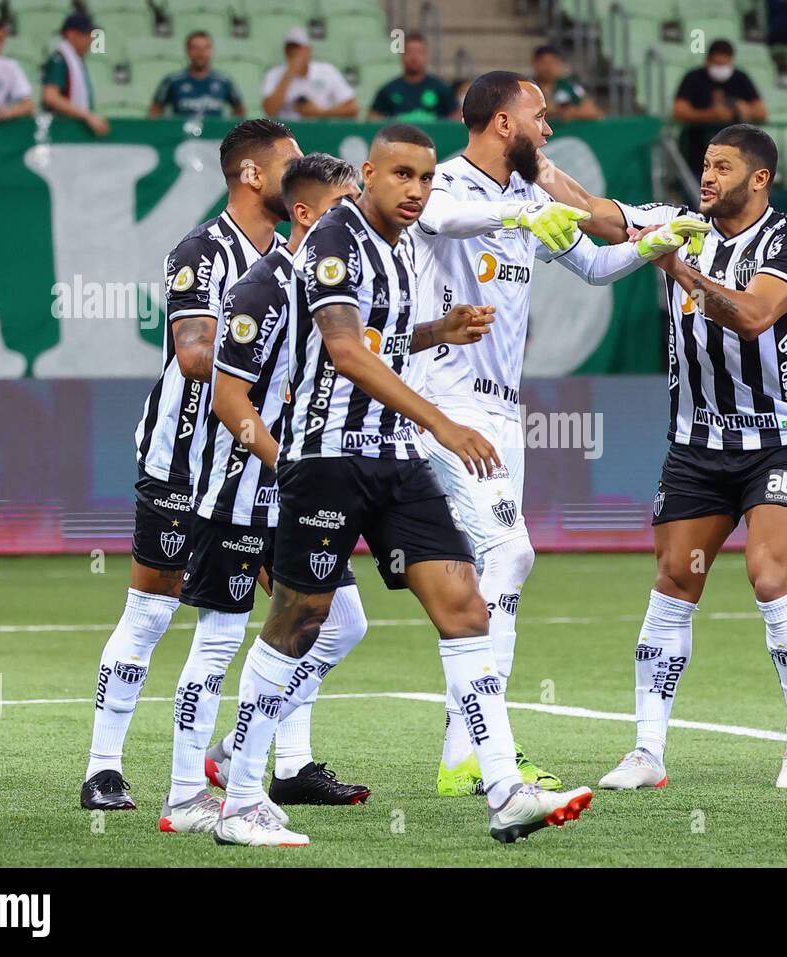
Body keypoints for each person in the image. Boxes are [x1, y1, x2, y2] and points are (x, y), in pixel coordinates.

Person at [214, 123, 595, 847]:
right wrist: (445, 425)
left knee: (465, 605)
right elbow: (346, 353)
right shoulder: (335, 236)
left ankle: (503, 787)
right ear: (369, 174)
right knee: (298, 620)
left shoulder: (397, 252)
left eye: (426, 177)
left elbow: (380, 340)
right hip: (326, 460)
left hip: (396, 460)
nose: (417, 190)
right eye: (402, 176)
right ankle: (239, 801)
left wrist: (436, 331)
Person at [410, 71, 691, 798]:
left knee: (483, 573)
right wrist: (517, 218)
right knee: (511, 556)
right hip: (444, 399)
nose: (549, 128)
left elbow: (597, 264)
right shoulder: (441, 184)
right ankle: (480, 751)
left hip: (504, 410)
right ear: (503, 123)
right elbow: (440, 221)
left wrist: (659, 241)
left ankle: (462, 751)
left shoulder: (529, 196)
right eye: (540, 116)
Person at [540, 125, 787, 792]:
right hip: (697, 445)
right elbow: (601, 213)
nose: (708, 177)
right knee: (674, 579)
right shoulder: (679, 222)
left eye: (723, 167)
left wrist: (677, 269)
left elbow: (755, 316)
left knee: (768, 574)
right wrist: (537, 169)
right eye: (705, 164)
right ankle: (647, 751)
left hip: (777, 440)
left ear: (759, 179)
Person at [79, 120, 301, 813]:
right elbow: (197, 352)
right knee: (152, 613)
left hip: (256, 466)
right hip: (183, 462)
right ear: (252, 177)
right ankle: (104, 766)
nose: (300, 180)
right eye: (288, 166)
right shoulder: (202, 251)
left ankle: (248, 755)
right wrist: (270, 362)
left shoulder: (294, 255)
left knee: (313, 611)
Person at [157, 154, 371, 835]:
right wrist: (283, 462)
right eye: (346, 202)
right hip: (238, 488)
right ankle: (186, 792)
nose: (357, 214)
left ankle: (236, 754)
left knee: (340, 623)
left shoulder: (326, 282)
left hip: (293, 490)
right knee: (219, 637)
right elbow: (229, 396)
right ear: (307, 212)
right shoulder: (266, 286)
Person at [672, 39, 767, 177]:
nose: (721, 68)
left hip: (733, 152)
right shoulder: (693, 78)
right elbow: (678, 111)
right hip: (696, 149)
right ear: (708, 61)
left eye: (725, 64)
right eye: (717, 64)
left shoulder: (740, 79)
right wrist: (710, 115)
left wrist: (745, 110)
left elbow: (762, 112)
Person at [261, 27, 357, 121]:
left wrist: (320, 113)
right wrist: (289, 75)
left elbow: (352, 108)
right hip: (286, 131)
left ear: (308, 50)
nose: (293, 52)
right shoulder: (274, 73)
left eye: (298, 48)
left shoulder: (327, 71)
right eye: (289, 49)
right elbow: (270, 111)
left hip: (318, 130)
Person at [40, 12, 107, 137]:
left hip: (71, 132)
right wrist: (87, 115)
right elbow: (50, 97)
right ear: (71, 34)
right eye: (86, 35)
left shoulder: (74, 60)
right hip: (61, 132)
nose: (91, 39)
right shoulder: (60, 60)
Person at [150, 31, 244, 118]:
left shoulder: (224, 80)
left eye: (205, 48)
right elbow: (155, 110)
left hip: (215, 135)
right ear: (188, 51)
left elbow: (239, 109)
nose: (201, 53)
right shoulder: (172, 80)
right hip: (181, 135)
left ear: (211, 51)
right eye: (196, 48)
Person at [369, 32, 457, 121]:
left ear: (426, 56)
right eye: (409, 52)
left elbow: (456, 119)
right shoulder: (388, 90)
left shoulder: (442, 89)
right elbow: (372, 119)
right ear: (401, 56)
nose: (414, 57)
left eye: (419, 52)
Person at [531, 45, 602, 120]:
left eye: (552, 62)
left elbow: (593, 111)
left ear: (560, 63)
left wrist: (567, 111)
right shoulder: (527, 87)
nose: (548, 67)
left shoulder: (570, 86)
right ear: (535, 64)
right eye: (544, 63)